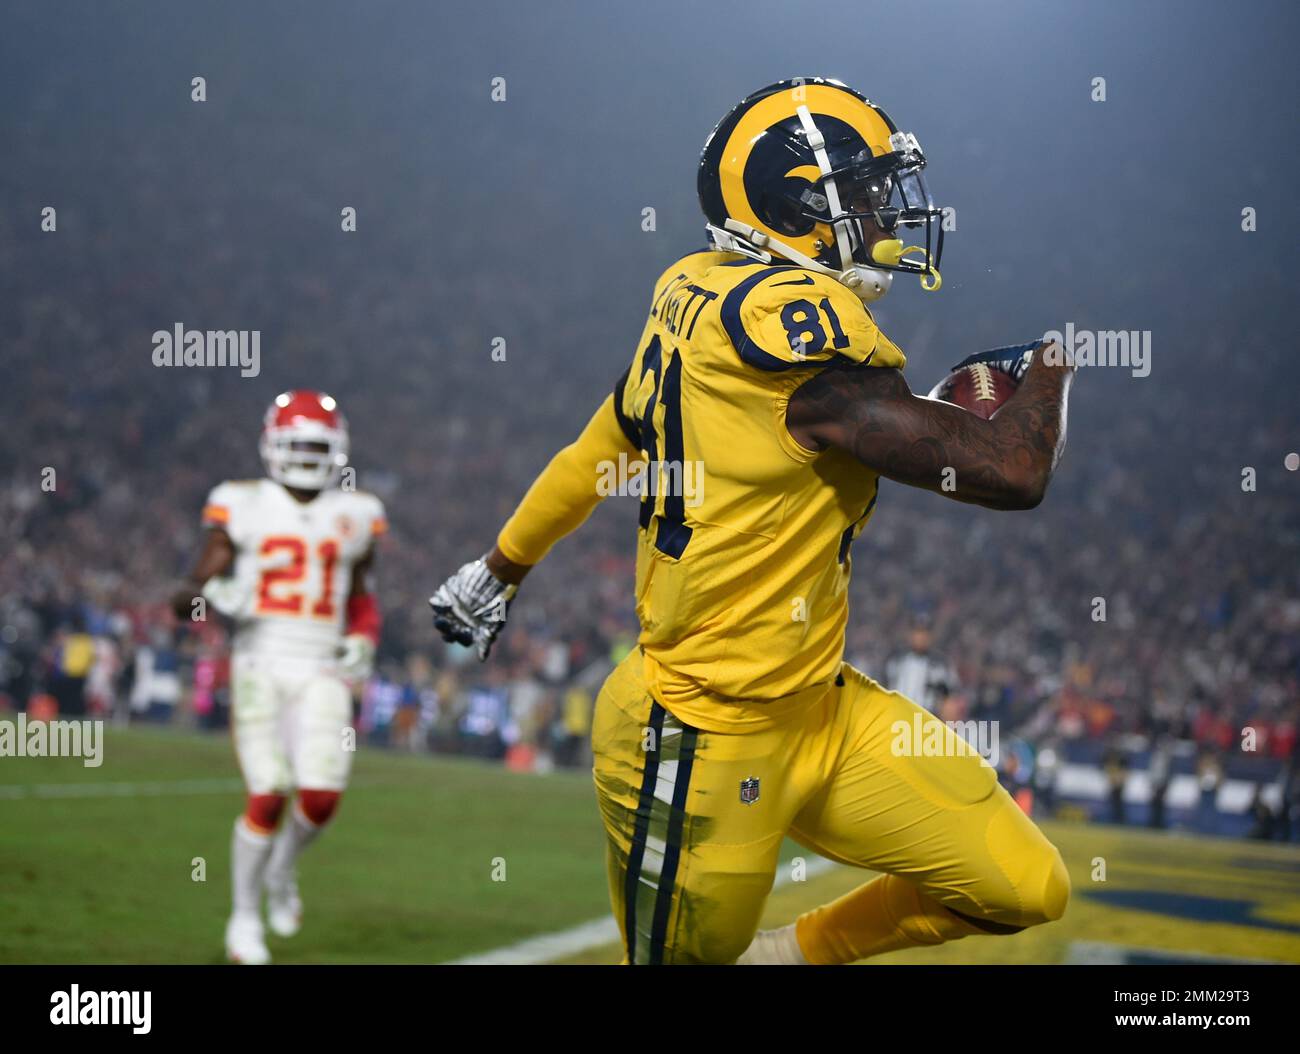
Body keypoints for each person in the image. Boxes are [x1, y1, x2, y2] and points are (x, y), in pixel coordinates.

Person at [430, 78, 1074, 964]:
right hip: (696, 734)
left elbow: (599, 450)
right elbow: (1014, 471)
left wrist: (499, 566)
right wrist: (1051, 368)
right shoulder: (795, 334)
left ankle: (788, 956)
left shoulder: (696, 290)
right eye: (864, 190)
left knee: (1025, 885)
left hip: (818, 709)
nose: (887, 210)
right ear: (796, 206)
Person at [172, 390, 385, 964]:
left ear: (336, 450)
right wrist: (211, 594)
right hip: (259, 663)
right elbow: (185, 595)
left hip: (322, 668)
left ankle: (282, 871)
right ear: (272, 446)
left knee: (320, 797)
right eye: (300, 444)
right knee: (267, 792)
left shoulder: (357, 513)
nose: (309, 455)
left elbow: (362, 599)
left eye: (319, 445)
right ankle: (243, 922)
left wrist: (364, 639)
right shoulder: (241, 504)